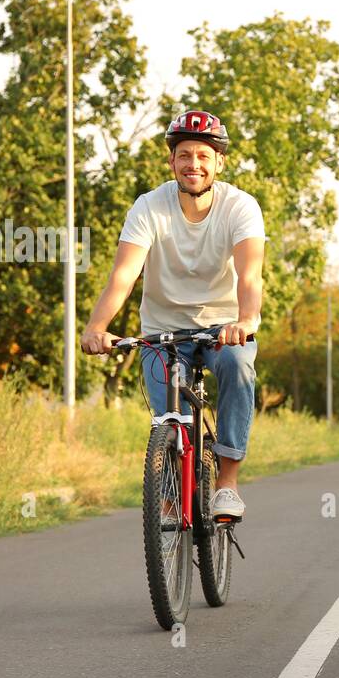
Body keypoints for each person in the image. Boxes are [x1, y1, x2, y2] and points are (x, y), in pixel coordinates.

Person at [81, 110, 266, 520]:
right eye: (185, 155)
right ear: (172, 161)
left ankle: (228, 483)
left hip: (223, 329)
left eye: (203, 155)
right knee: (169, 416)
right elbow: (124, 274)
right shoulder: (149, 207)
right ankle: (169, 498)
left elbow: (250, 275)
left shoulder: (240, 207)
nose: (193, 164)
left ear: (219, 162)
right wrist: (97, 327)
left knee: (238, 367)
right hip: (163, 331)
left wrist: (247, 319)